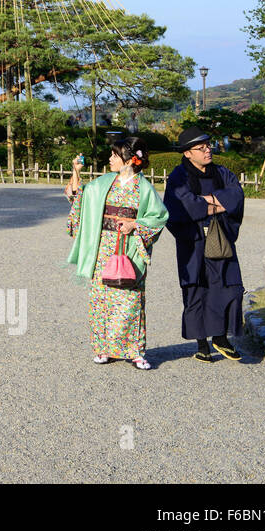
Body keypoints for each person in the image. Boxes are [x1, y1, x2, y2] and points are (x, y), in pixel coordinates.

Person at [64, 137, 169, 368]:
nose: (110, 159)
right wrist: (76, 171)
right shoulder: (104, 183)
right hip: (102, 247)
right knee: (101, 299)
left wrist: (135, 225)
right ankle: (103, 349)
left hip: (129, 246)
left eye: (114, 155)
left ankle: (136, 351)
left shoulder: (144, 187)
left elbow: (159, 216)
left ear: (130, 159)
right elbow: (79, 195)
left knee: (130, 298)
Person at [163, 128, 245, 362]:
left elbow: (236, 196)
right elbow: (180, 205)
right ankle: (202, 343)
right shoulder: (179, 176)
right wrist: (217, 204)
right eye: (202, 147)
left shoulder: (222, 172)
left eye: (209, 145)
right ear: (188, 153)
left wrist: (204, 203)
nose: (208, 150)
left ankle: (221, 337)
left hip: (221, 236)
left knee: (228, 286)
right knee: (197, 287)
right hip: (194, 239)